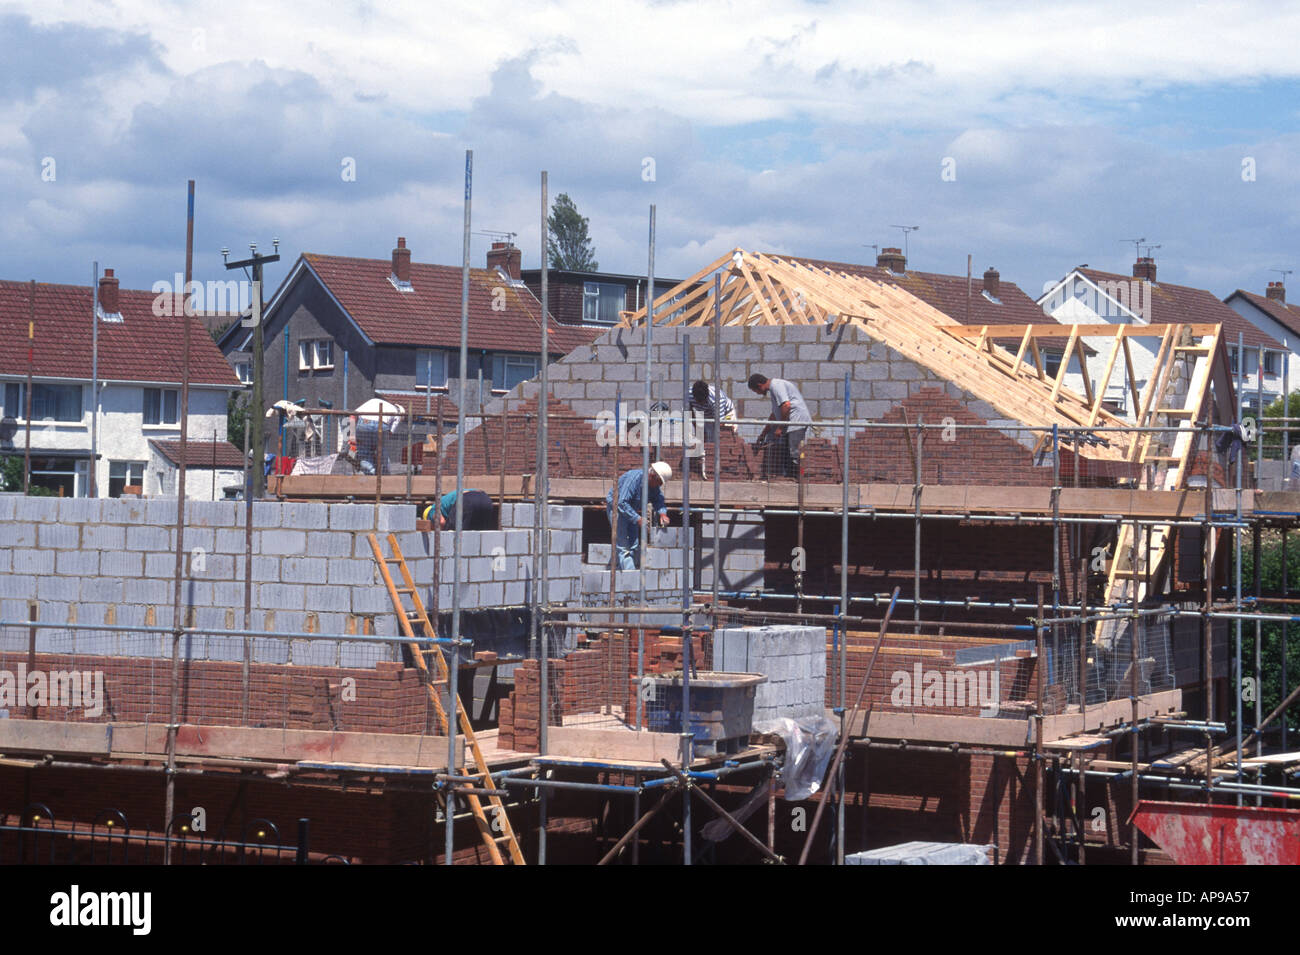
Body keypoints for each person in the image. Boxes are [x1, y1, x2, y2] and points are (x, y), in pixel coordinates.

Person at [605, 461, 672, 570]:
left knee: (634, 544)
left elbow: (658, 500)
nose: (659, 486)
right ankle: (631, 581)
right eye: (659, 483)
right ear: (651, 476)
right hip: (617, 510)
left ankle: (625, 572)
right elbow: (621, 502)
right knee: (623, 546)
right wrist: (637, 518)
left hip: (632, 512)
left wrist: (663, 513)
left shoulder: (653, 485)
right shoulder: (634, 479)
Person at [748, 373, 811, 477]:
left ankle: (799, 481)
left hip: (797, 422)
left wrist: (780, 428)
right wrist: (763, 434)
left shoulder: (776, 386)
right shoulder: (774, 390)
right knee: (786, 452)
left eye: (756, 391)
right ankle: (791, 478)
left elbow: (786, 406)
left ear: (759, 385)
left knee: (793, 452)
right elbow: (774, 415)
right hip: (791, 423)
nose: (758, 394)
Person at [424, 488, 494, 530]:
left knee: (452, 533)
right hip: (485, 499)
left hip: (467, 499)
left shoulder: (431, 511)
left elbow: (441, 522)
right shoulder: (443, 503)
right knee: (480, 531)